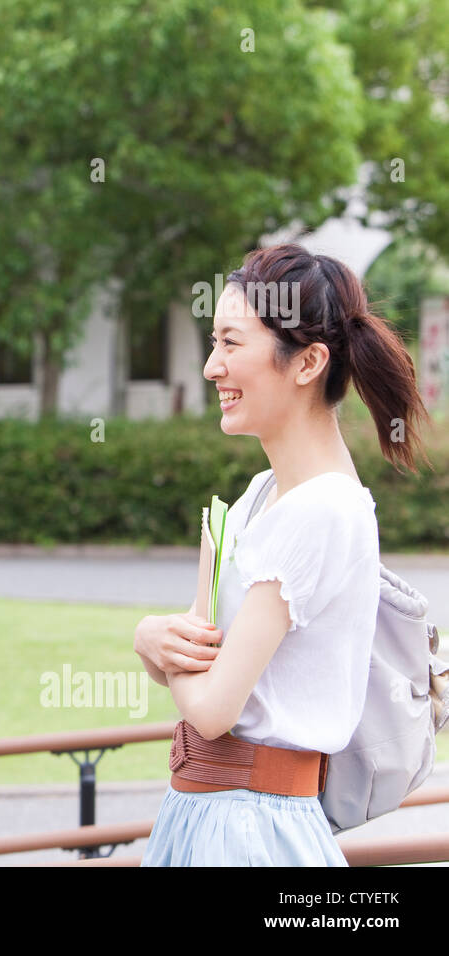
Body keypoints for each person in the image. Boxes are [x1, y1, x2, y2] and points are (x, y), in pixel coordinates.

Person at [134, 243, 429, 866]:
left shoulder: (320, 512)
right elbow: (201, 653)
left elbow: (213, 708)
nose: (213, 367)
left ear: (308, 363)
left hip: (253, 831)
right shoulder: (260, 494)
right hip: (205, 813)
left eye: (233, 343)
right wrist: (165, 648)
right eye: (213, 342)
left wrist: (150, 640)